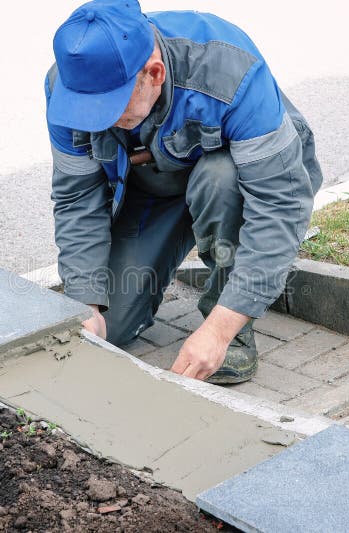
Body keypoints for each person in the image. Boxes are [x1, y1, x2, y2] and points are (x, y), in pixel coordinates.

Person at [45, 0, 322, 384]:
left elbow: (279, 203)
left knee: (219, 178)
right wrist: (85, 304)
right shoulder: (70, 85)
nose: (94, 120)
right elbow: (77, 198)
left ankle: (231, 324)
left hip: (232, 182)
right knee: (109, 328)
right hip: (156, 187)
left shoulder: (227, 69)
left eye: (108, 110)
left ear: (153, 74)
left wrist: (220, 330)